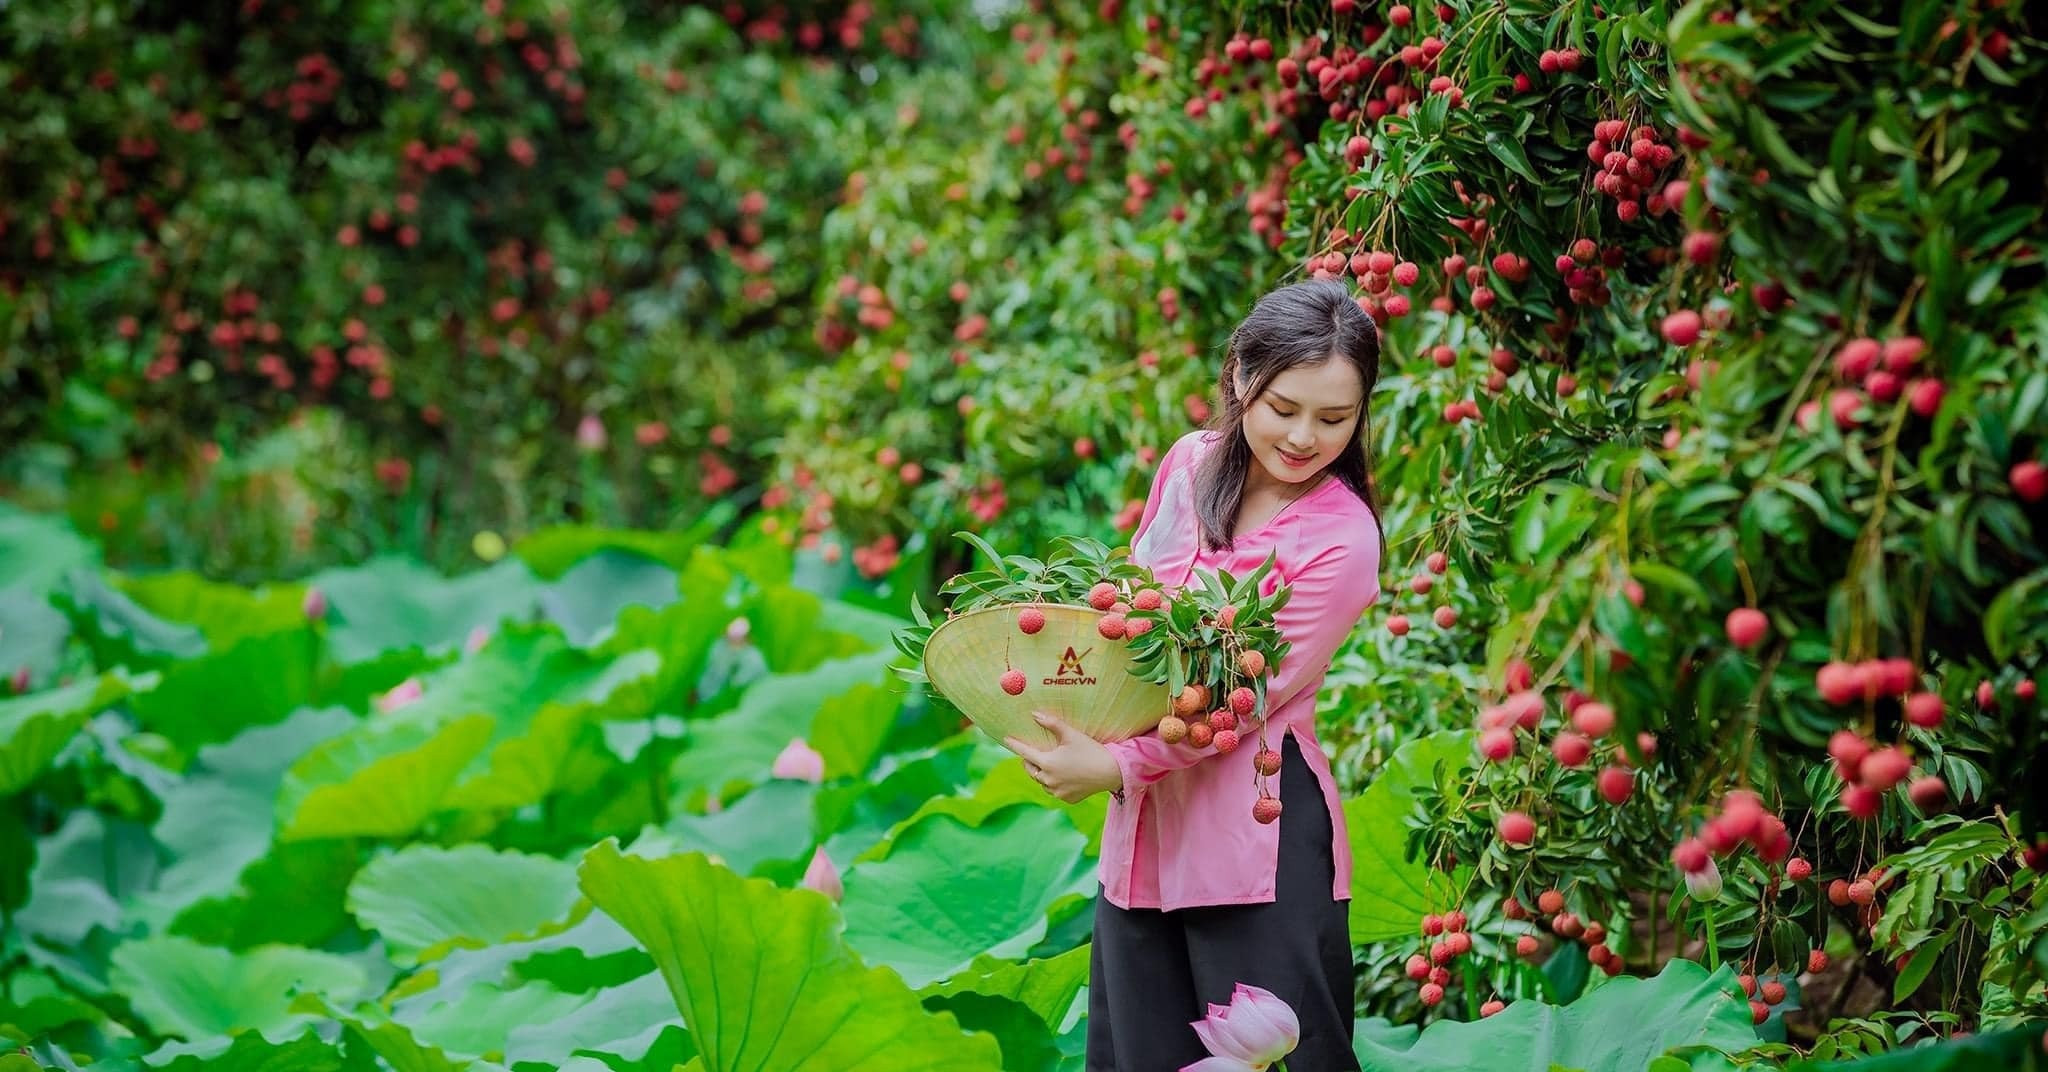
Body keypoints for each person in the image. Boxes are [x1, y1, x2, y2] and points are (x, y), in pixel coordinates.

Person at [1003, 278, 1386, 1071]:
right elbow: (1131, 626)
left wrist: (1112, 761)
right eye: (1284, 408)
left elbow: (1240, 700)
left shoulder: (1343, 543)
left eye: (1334, 418)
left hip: (1258, 843)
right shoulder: (1189, 465)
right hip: (1143, 834)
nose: (1305, 437)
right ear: (1241, 375)